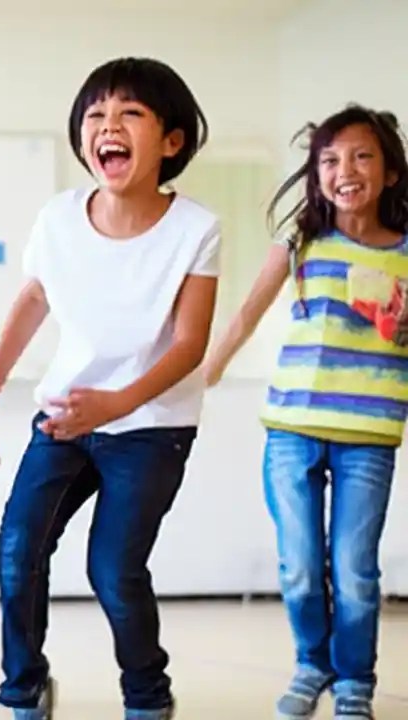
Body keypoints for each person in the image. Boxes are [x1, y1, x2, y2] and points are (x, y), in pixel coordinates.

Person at [0, 57, 218, 720]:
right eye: (95, 115)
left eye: (130, 113)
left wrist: (118, 403)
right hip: (67, 416)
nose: (108, 125)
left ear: (172, 140)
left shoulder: (196, 229)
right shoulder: (59, 217)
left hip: (153, 426)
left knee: (114, 570)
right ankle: (24, 691)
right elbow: (32, 298)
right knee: (18, 548)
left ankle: (147, 696)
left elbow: (189, 345)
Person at [203, 105, 408, 720]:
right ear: (316, 174)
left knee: (352, 569)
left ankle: (354, 682)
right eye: (329, 160)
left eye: (361, 156)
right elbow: (245, 313)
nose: (344, 170)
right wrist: (198, 378)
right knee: (298, 566)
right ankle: (310, 664)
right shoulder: (302, 238)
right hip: (292, 427)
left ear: (391, 172)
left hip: (368, 434)